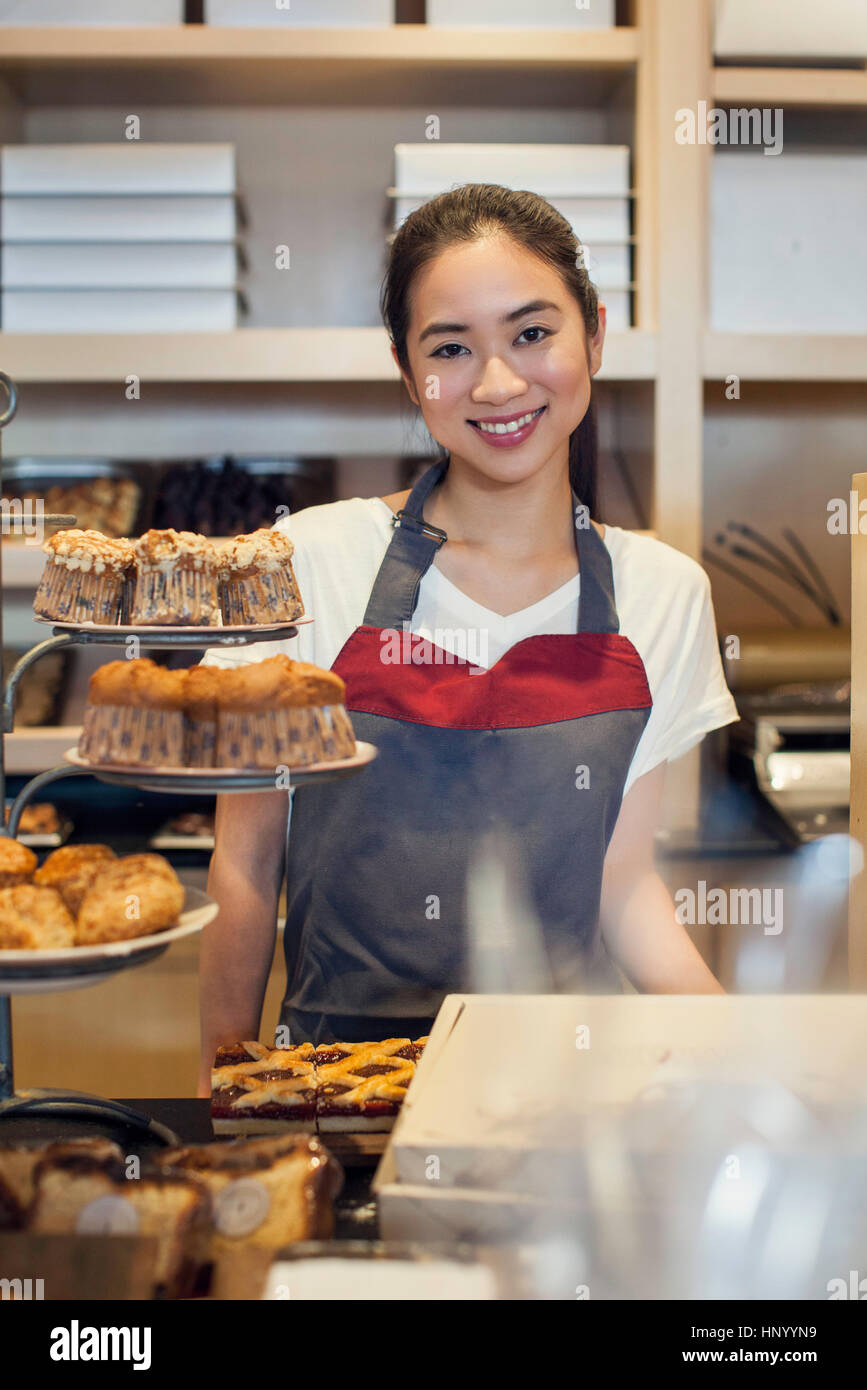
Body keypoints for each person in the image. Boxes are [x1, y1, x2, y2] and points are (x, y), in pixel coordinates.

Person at [197, 183, 738, 1091]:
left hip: (565, 1096)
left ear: (594, 336)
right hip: (331, 1090)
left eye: (533, 334)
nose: (497, 383)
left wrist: (747, 1053)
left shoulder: (661, 592)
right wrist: (216, 1098)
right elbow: (246, 863)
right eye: (451, 347)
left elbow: (622, 879)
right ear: (410, 375)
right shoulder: (304, 562)